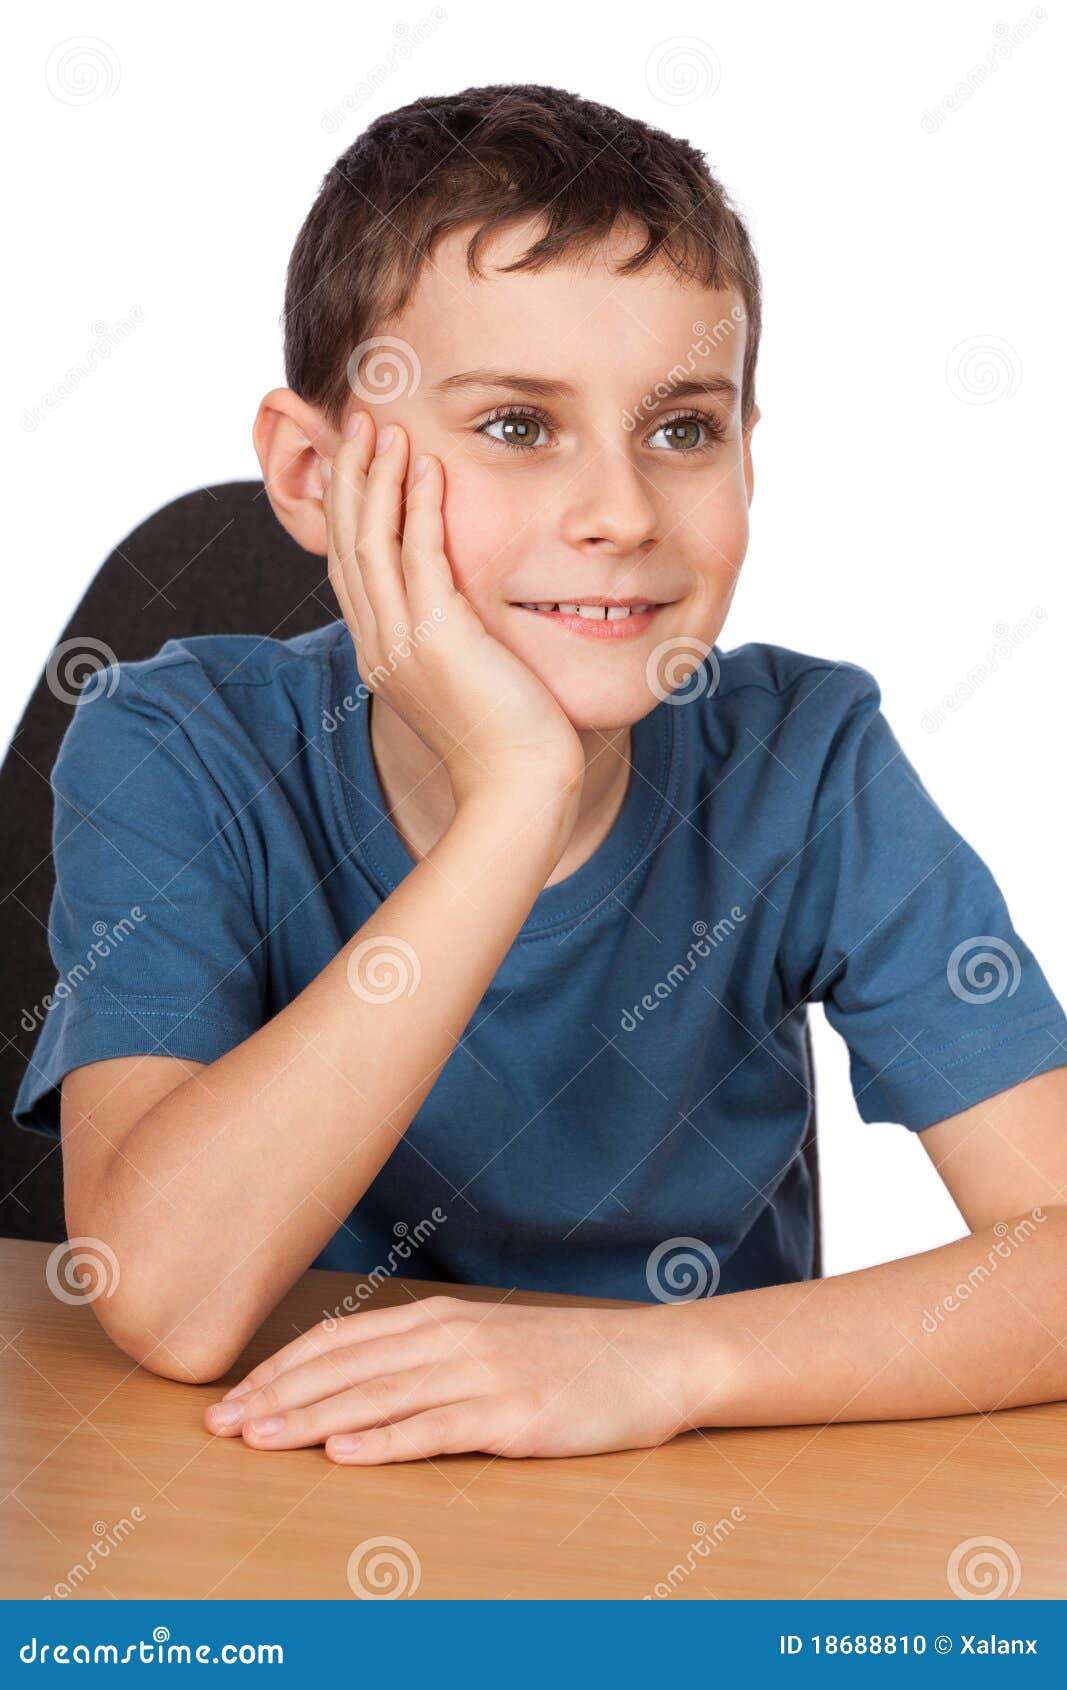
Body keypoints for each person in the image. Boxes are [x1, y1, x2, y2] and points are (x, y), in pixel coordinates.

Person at [13, 85, 1067, 1466]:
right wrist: (513, 799)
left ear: (751, 454)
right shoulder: (175, 744)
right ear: (315, 473)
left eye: (682, 427)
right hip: (272, 1502)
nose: (621, 512)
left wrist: (662, 1362)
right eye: (518, 424)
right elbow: (166, 1296)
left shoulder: (805, 767)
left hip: (681, 1513)